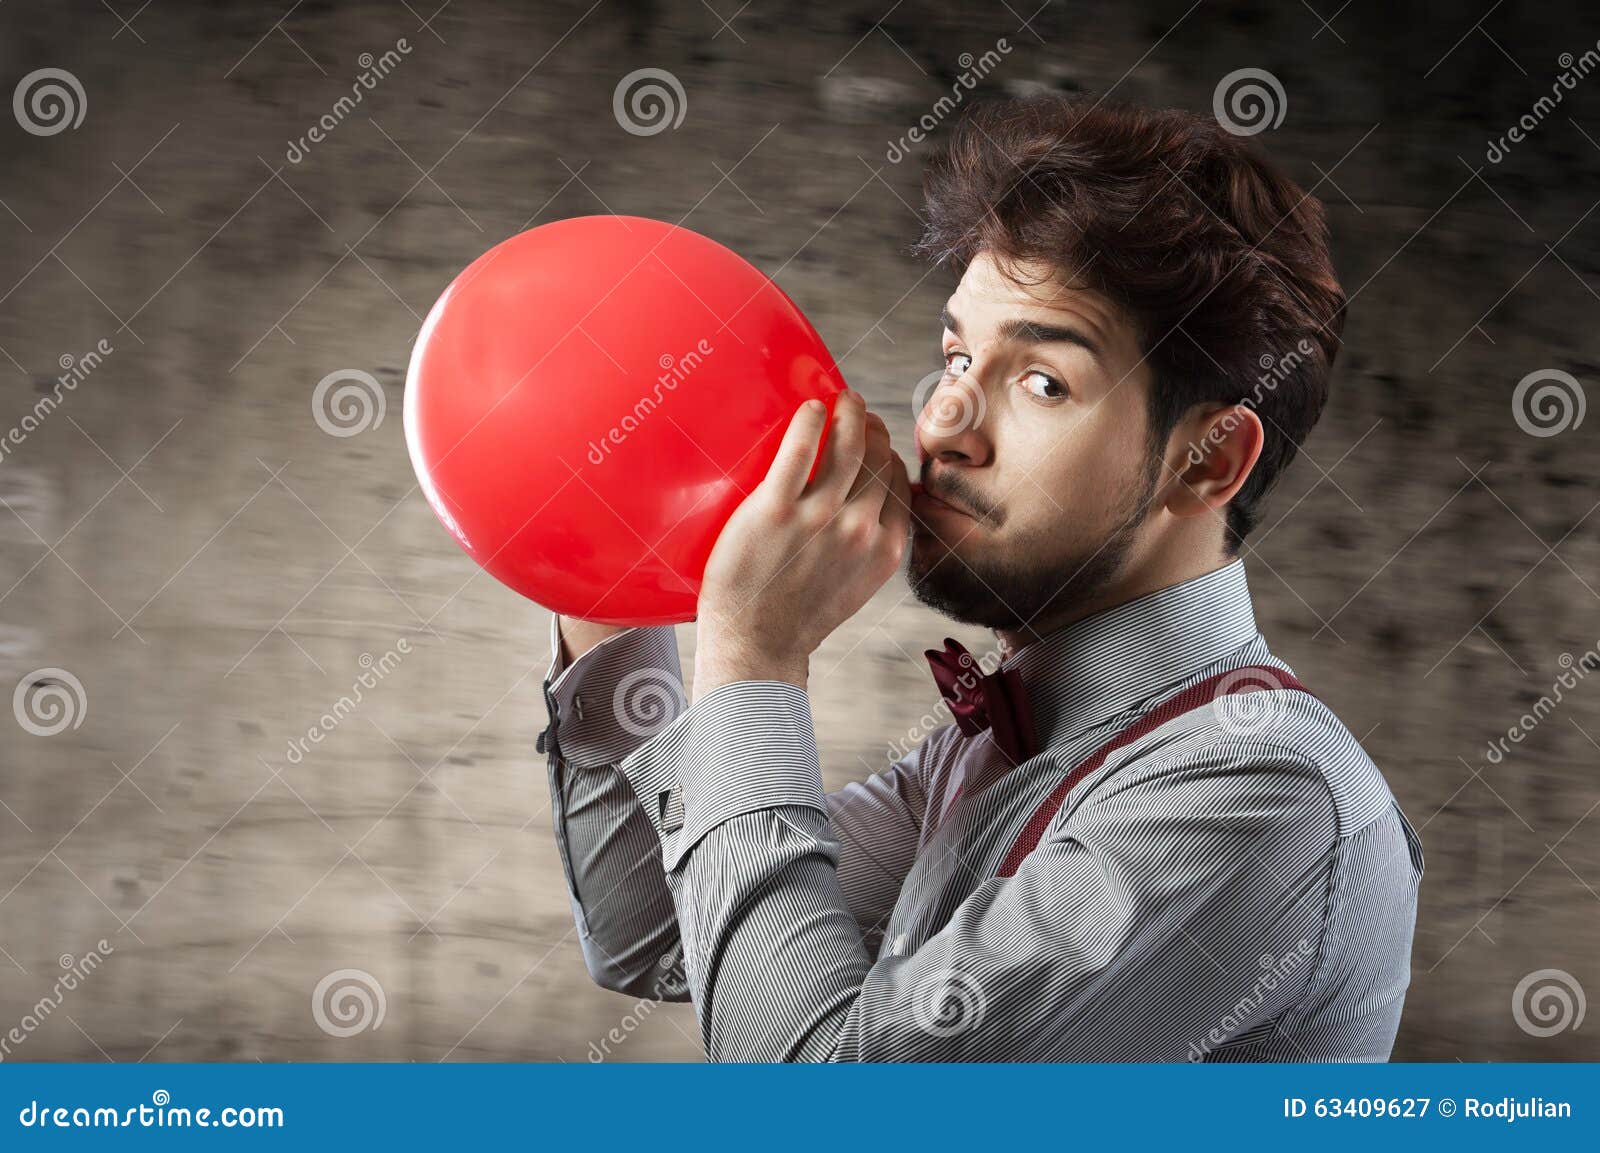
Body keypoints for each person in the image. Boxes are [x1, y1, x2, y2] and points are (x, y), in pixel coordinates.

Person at [537, 95, 1423, 1061]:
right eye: (957, 354)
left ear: (1209, 459)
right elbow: (658, 934)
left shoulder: (1260, 798)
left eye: (1043, 381)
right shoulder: (1000, 742)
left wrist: (753, 651)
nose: (943, 421)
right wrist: (607, 550)